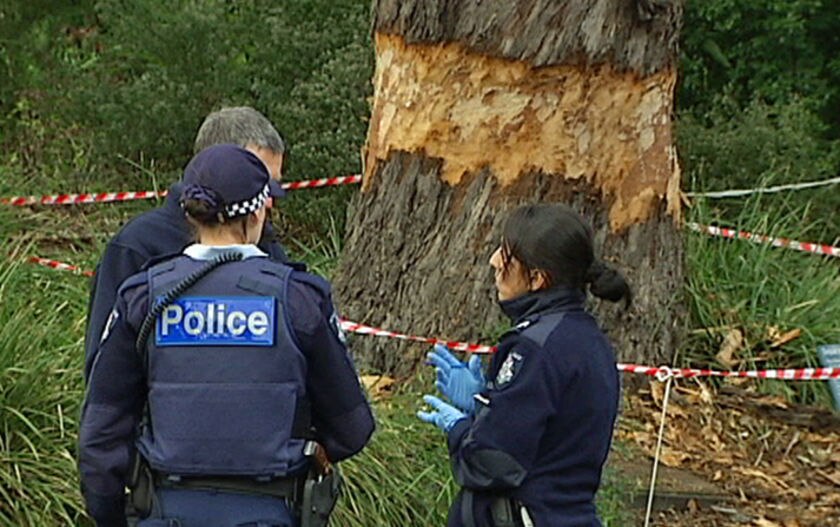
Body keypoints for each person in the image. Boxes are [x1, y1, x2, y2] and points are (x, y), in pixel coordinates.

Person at [78, 144, 375, 527]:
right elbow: (352, 427)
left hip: (165, 513)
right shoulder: (299, 298)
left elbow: (100, 434)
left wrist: (111, 516)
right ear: (255, 214)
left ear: (190, 214)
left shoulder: (143, 297)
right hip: (271, 511)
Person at [418, 203, 630, 527]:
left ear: (537, 278)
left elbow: (493, 463)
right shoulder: (591, 340)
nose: (493, 261)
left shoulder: (534, 347)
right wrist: (487, 405)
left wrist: (459, 429)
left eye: (506, 256)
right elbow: (551, 439)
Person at [84, 106, 290, 381]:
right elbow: (104, 372)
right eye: (259, 184)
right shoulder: (136, 248)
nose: (268, 202)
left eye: (273, 188)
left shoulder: (269, 250)